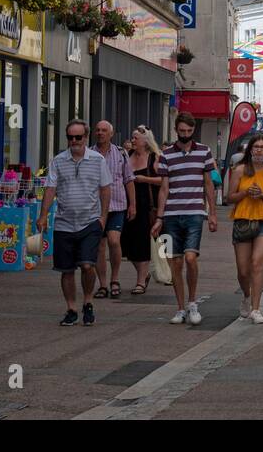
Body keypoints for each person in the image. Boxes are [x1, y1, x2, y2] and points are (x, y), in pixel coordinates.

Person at [38, 119, 112, 327]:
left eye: (78, 137)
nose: (74, 141)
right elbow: (50, 189)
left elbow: (106, 189)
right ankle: (71, 308)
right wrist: (43, 215)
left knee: (88, 265)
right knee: (66, 269)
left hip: (90, 221)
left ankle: (87, 301)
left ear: (86, 138)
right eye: (70, 137)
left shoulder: (97, 160)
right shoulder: (58, 161)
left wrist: (103, 218)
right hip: (64, 222)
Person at [151, 112, 218, 326]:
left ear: (193, 130)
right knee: (175, 263)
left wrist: (212, 213)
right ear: (176, 130)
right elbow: (164, 188)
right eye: (182, 131)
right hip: (171, 215)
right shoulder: (166, 155)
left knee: (190, 257)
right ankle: (180, 308)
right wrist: (159, 218)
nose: (185, 135)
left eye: (189, 131)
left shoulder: (204, 152)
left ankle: (192, 302)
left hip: (195, 213)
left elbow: (208, 183)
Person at [227, 133, 263, 322]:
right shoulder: (240, 170)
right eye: (256, 146)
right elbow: (229, 198)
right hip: (242, 220)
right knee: (243, 271)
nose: (259, 150)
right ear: (250, 149)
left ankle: (256, 309)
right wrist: (244, 192)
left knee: (257, 264)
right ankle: (246, 296)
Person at [92, 121, 135, 301]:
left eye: (104, 131)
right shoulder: (90, 154)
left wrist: (133, 204)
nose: (100, 133)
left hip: (117, 205)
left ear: (111, 134)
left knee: (114, 241)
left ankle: (115, 278)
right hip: (95, 206)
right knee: (99, 247)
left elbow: (129, 179)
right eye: (98, 130)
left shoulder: (121, 153)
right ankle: (102, 284)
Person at [123, 125, 162, 294]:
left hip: (146, 206)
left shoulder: (154, 158)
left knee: (142, 243)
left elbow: (164, 181)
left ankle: (140, 280)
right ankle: (143, 274)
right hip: (126, 204)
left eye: (135, 138)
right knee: (125, 243)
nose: (132, 141)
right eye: (132, 138)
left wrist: (144, 179)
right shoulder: (127, 156)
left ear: (145, 142)